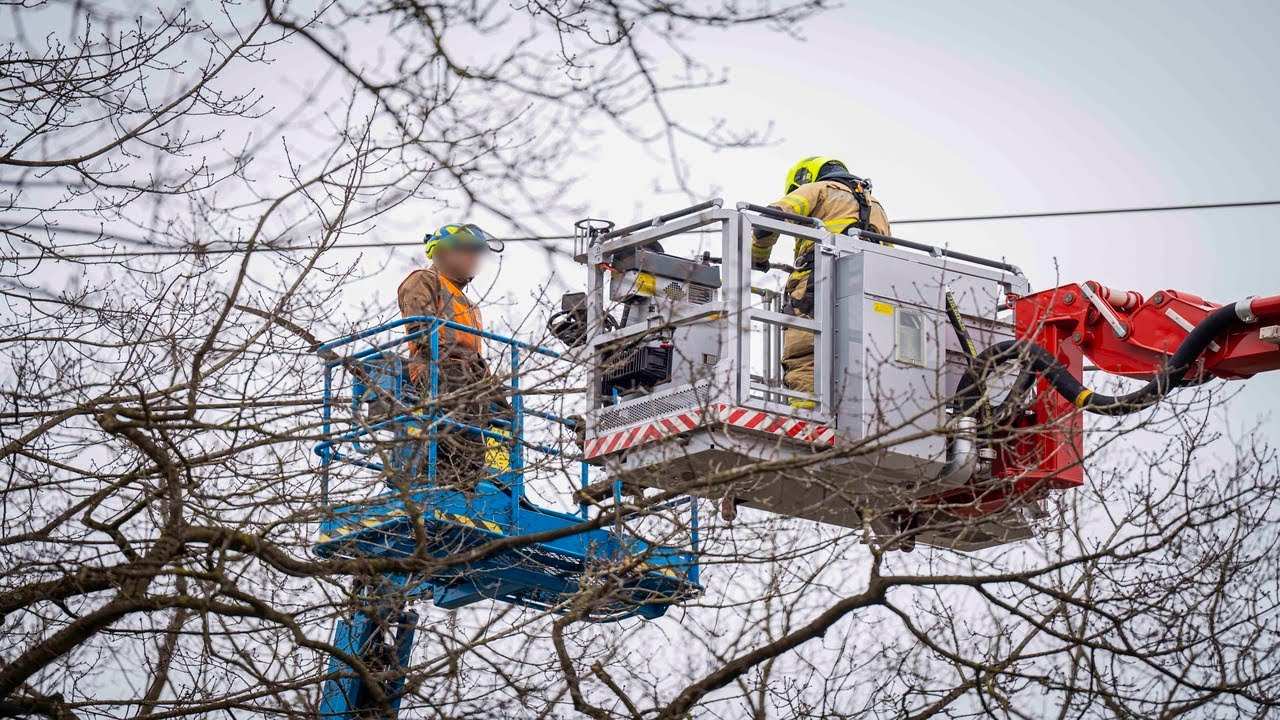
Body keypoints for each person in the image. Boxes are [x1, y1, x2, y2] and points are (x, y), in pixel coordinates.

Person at [750, 156, 892, 407]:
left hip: (818, 282)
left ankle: (805, 412)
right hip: (870, 290)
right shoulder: (876, 206)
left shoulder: (819, 189)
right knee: (857, 352)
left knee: (804, 350)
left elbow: (768, 221)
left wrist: (757, 258)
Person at [397, 223, 506, 486]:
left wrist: (498, 398)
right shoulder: (424, 280)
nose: (472, 259)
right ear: (443, 253)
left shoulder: (469, 304)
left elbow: (475, 353)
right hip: (438, 367)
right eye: (466, 252)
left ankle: (485, 484)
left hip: (472, 375)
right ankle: (433, 479)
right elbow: (421, 330)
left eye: (475, 254)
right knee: (458, 427)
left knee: (504, 421)